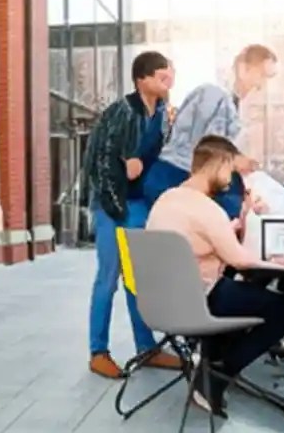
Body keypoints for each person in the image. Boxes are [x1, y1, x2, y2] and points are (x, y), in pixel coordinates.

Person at [146, 135, 284, 417]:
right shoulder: (207, 209)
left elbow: (198, 238)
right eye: (229, 168)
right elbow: (241, 261)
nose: (230, 178)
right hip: (199, 301)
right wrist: (281, 259)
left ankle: (211, 362)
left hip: (163, 302)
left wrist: (238, 221)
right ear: (217, 164)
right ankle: (218, 374)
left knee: (239, 293)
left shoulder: (166, 200)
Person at [83, 51, 181, 379]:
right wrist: (117, 208)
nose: (169, 83)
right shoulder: (120, 112)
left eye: (171, 77)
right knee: (108, 278)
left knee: (138, 279)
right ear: (143, 79)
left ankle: (147, 347)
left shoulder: (162, 114)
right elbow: (101, 162)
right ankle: (98, 352)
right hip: (115, 205)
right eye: (163, 77)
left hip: (138, 204)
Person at [143, 44, 279, 219]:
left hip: (178, 178)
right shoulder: (215, 95)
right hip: (174, 176)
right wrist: (237, 161)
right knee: (232, 211)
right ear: (243, 68)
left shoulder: (229, 103)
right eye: (262, 76)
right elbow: (206, 151)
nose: (262, 85)